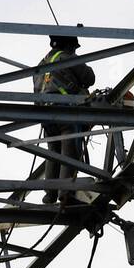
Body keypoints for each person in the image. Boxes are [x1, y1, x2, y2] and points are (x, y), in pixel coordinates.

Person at [33, 32, 95, 205]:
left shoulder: (41, 65)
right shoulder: (66, 57)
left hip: (45, 114)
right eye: (74, 48)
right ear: (69, 46)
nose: (74, 52)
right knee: (70, 150)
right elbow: (89, 78)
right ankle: (65, 193)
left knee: (54, 152)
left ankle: (49, 195)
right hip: (63, 111)